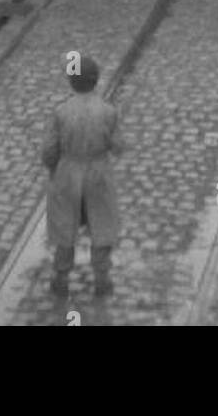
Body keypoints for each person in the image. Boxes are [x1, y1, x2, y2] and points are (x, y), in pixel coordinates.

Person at [42, 54, 123, 299]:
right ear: (95, 81)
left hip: (68, 171)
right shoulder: (108, 111)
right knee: (102, 226)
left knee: (64, 226)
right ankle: (102, 280)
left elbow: (48, 151)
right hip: (98, 172)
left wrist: (54, 169)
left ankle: (61, 278)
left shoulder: (60, 111)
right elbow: (119, 146)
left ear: (71, 82)